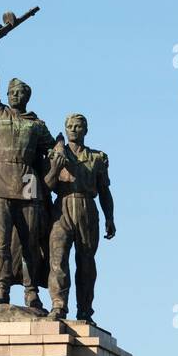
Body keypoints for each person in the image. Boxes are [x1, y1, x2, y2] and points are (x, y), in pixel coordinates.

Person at [0, 35, 55, 311]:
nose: (16, 96)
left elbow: (55, 150)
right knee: (0, 240)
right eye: (13, 92)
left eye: (21, 92)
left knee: (29, 241)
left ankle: (31, 290)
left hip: (26, 180)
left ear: (28, 97)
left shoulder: (37, 125)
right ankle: (0, 289)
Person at [44, 113, 115, 323]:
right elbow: (46, 185)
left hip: (87, 208)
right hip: (62, 207)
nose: (74, 129)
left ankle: (85, 310)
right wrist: (56, 167)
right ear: (66, 130)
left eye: (78, 126)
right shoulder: (56, 154)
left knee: (86, 262)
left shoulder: (97, 157)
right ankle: (58, 305)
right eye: (70, 126)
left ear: (86, 130)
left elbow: (104, 190)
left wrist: (109, 217)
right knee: (58, 259)